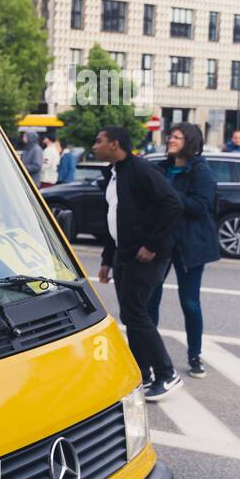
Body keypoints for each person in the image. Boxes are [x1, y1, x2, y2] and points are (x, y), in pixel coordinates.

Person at [93, 125, 183, 400]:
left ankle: (167, 374)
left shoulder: (141, 170)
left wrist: (152, 245)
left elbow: (172, 205)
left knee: (135, 313)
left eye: (99, 141)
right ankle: (142, 375)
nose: (94, 146)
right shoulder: (113, 174)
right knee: (131, 314)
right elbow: (115, 218)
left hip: (147, 254)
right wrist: (107, 259)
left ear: (115, 144)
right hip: (124, 253)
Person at [146, 123, 218, 379]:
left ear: (190, 142)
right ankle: (149, 356)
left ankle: (195, 356)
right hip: (161, 242)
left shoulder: (202, 173)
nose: (171, 139)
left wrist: (169, 195)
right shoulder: (162, 168)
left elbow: (200, 207)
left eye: (177, 137)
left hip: (190, 245)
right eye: (171, 136)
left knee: (189, 302)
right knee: (150, 298)